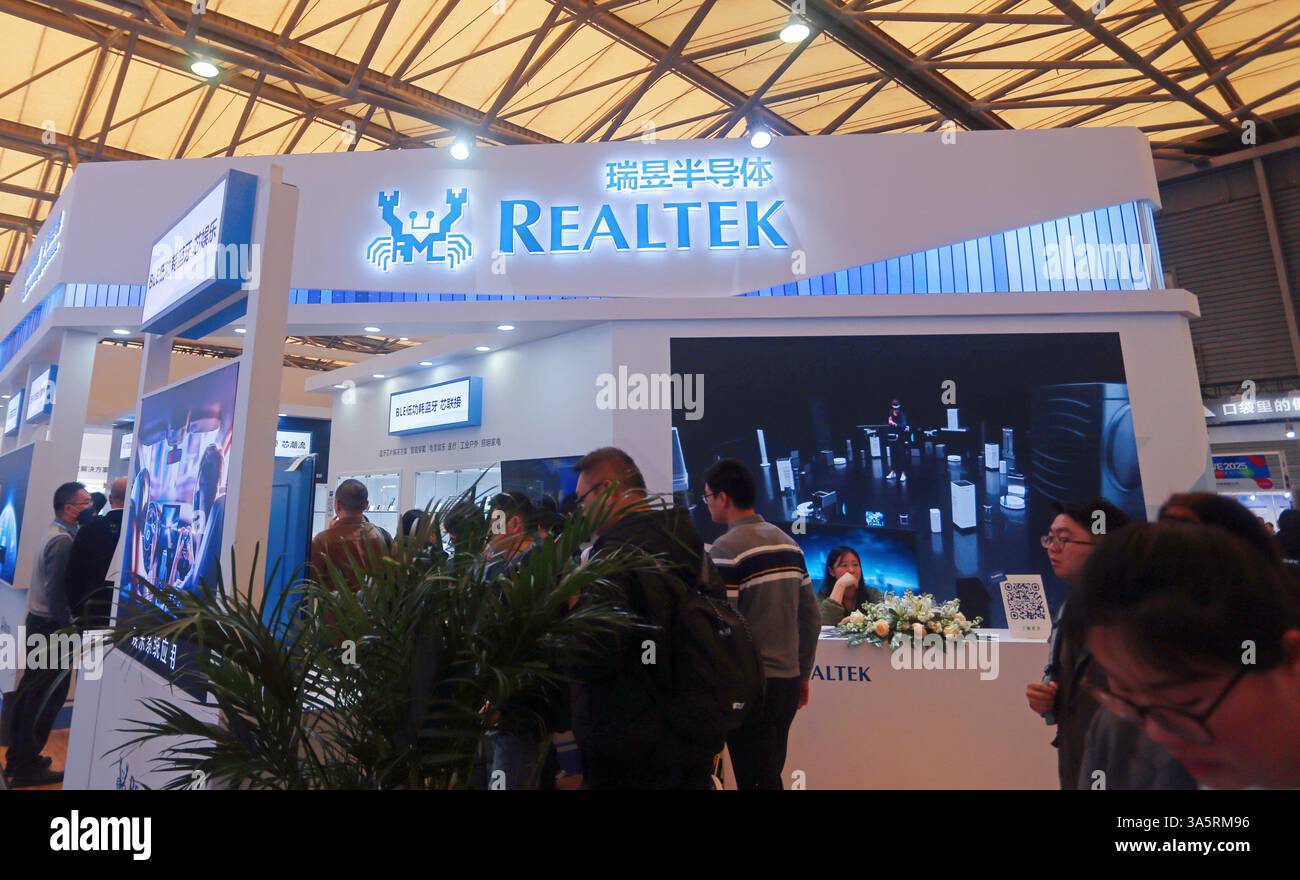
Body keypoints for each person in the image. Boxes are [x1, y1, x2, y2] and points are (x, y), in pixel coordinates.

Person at [1069, 522, 1300, 789]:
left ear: (1291, 659)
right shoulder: (1119, 730)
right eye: (1125, 694)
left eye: (1188, 702)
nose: (1157, 733)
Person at [568, 446, 720, 789]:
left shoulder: (616, 554)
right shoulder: (688, 542)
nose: (581, 510)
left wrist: (570, 617)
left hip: (628, 744)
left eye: (582, 499)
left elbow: (596, 654)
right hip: (688, 730)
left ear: (607, 491)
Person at [704, 457, 820, 790]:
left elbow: (725, 628)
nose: (708, 503)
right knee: (768, 774)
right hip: (786, 684)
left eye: (708, 496)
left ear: (723, 498)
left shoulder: (725, 549)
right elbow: (810, 619)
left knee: (756, 778)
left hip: (750, 689)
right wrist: (802, 672)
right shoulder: (789, 543)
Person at [1024, 497, 1129, 790]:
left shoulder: (1139, 612)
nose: (1052, 548)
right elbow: (1058, 673)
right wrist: (1046, 697)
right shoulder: (1065, 610)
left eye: (1064, 540)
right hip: (1076, 754)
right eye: (1050, 538)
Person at [3, 481, 91, 787]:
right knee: (44, 699)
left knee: (33, 694)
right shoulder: (63, 541)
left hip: (42, 625)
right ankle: (24, 766)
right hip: (53, 629)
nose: (91, 505)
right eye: (86, 502)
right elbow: (56, 594)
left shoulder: (55, 531)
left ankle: (21, 757)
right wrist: (70, 628)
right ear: (70, 509)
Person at [64, 477, 127, 629]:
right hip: (125, 625)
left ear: (110, 498)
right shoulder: (139, 533)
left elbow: (72, 576)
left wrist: (77, 614)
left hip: (89, 617)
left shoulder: (89, 529)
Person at [310, 478, 389, 591]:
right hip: (376, 607)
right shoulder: (383, 536)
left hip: (335, 608)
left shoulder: (322, 541)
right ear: (366, 504)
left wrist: (330, 533)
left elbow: (312, 582)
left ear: (337, 505)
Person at [817, 546, 884, 625]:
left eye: (855, 564)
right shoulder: (820, 597)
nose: (851, 570)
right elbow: (824, 627)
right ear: (831, 571)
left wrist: (862, 621)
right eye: (844, 565)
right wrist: (840, 585)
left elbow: (885, 623)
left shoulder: (874, 594)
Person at [884, 398, 910, 483]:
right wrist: (890, 422)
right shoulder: (890, 412)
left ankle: (903, 473)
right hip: (892, 437)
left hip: (900, 438)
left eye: (897, 408)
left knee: (901, 456)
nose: (896, 410)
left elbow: (903, 425)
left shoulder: (902, 414)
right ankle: (893, 472)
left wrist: (895, 424)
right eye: (895, 408)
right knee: (893, 455)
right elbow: (889, 421)